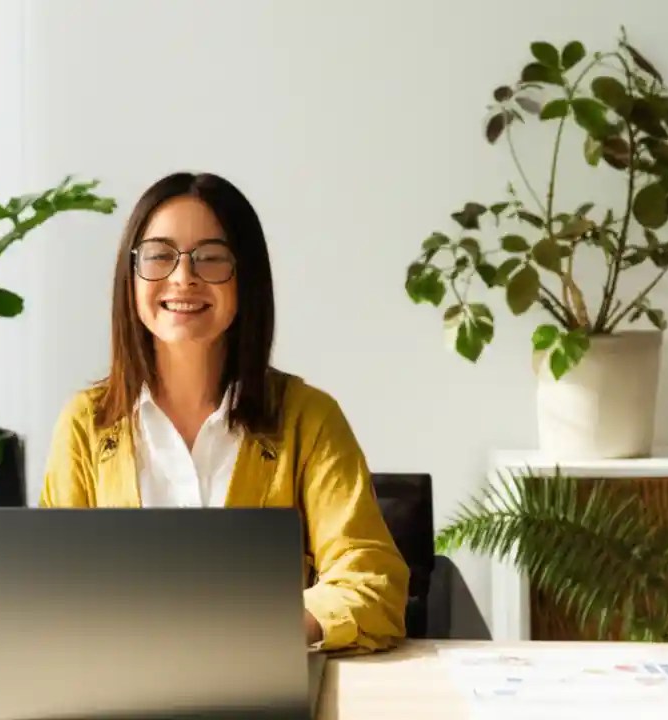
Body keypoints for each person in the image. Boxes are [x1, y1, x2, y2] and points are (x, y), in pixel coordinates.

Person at [38, 171, 409, 652]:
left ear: (246, 278)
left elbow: (373, 582)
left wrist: (267, 632)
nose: (183, 277)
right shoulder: (86, 424)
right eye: (159, 256)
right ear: (130, 277)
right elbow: (50, 591)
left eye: (211, 258)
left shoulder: (309, 418)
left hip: (263, 690)